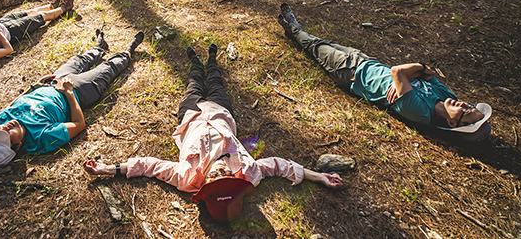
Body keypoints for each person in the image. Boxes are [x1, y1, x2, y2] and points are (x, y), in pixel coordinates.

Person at [83, 43, 342, 222]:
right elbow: (279, 166)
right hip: (220, 112)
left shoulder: (186, 177)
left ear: (204, 187)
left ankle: (196, 63)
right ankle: (212, 58)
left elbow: (148, 166)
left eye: (215, 179)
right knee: (216, 81)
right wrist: (320, 177)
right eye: (227, 178)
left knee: (194, 83)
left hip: (191, 115)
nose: (221, 172)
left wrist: (107, 169)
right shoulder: (249, 172)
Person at [277, 3, 492, 141]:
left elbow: (398, 72)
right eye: (470, 105)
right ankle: (294, 32)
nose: (464, 104)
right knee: (324, 43)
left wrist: (409, 74)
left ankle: (292, 26)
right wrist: (417, 70)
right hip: (367, 62)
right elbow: (427, 72)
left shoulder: (421, 112)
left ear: (452, 123)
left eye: (466, 111)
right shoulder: (447, 96)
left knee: (314, 46)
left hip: (352, 74)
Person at [0, 29, 146, 165]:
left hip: (52, 82)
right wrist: (69, 92)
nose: (4, 127)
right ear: (17, 147)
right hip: (78, 92)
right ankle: (128, 51)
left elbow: (11, 106)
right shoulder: (41, 138)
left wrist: (33, 87)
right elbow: (79, 124)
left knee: (79, 60)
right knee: (107, 69)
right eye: (6, 135)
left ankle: (99, 47)